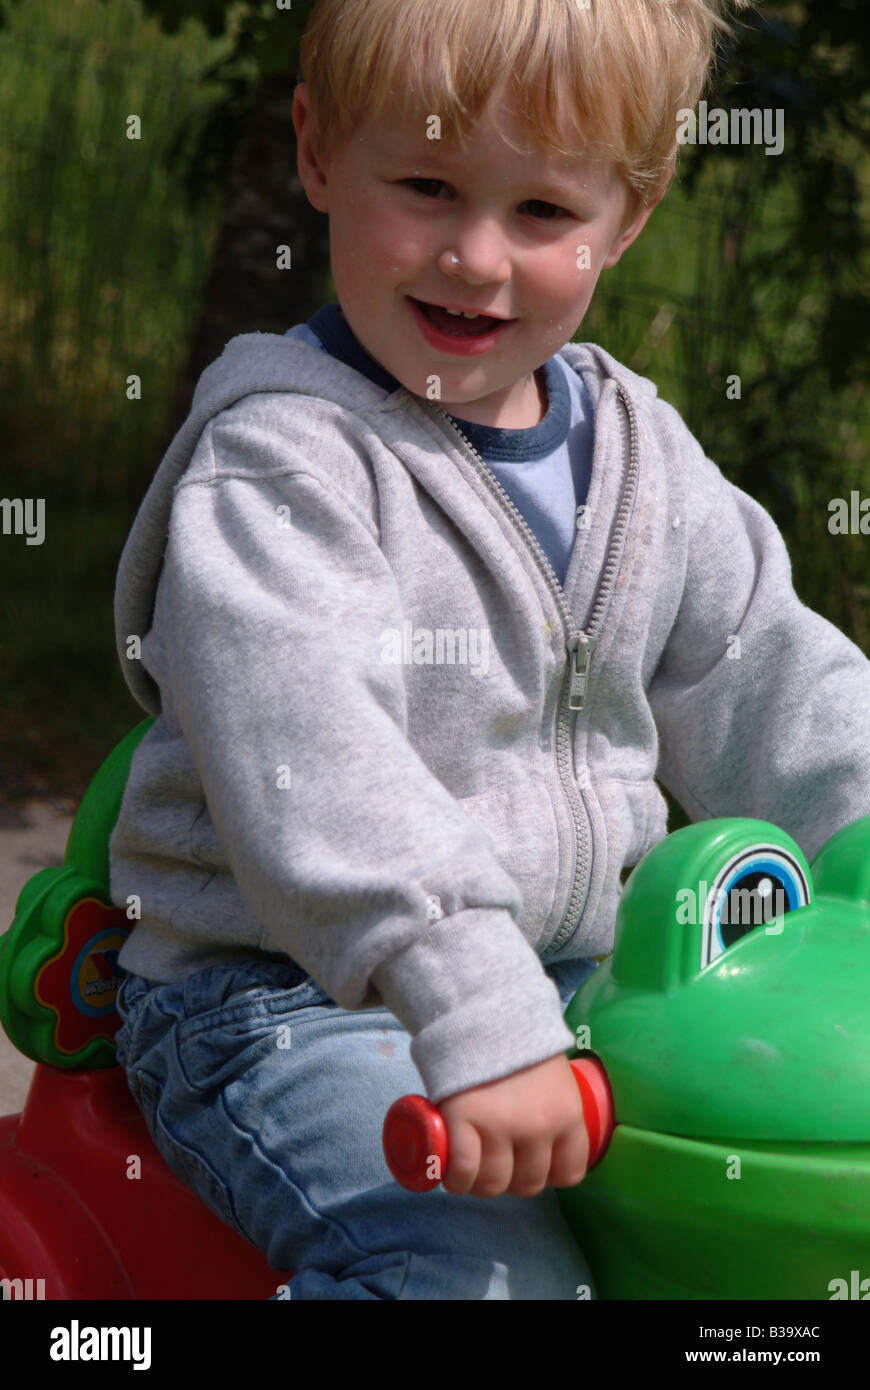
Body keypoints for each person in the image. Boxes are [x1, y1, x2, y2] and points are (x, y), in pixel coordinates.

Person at [109, 0, 870, 1299]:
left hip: (579, 973)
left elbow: (776, 680)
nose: (474, 257)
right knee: (476, 1275)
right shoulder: (283, 467)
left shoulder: (641, 458)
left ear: (630, 212)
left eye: (540, 214)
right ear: (316, 147)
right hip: (291, 1001)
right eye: (424, 185)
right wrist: (470, 1005)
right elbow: (320, 771)